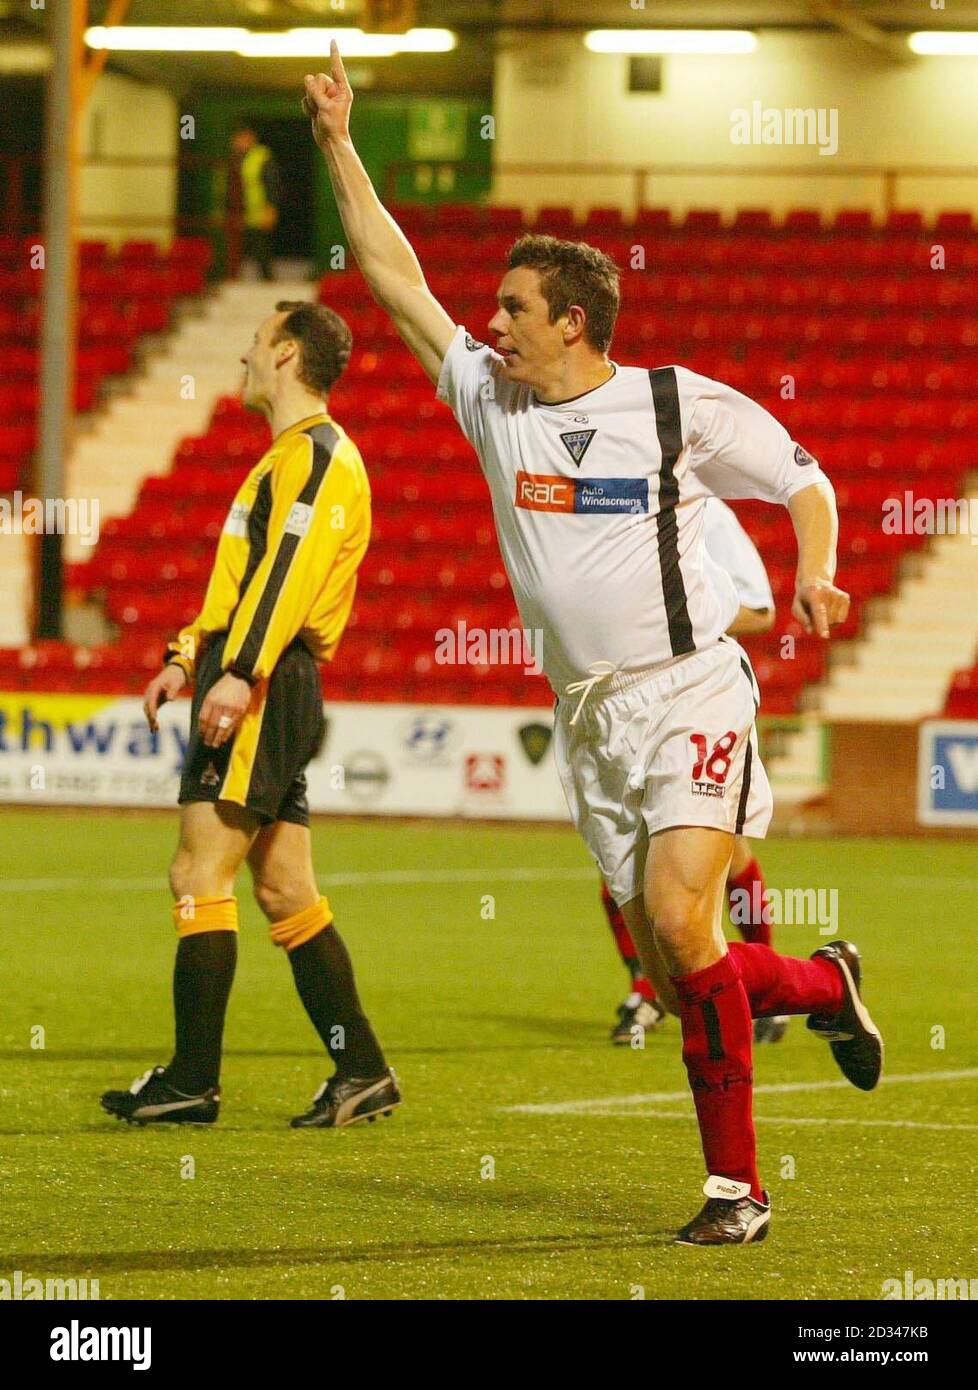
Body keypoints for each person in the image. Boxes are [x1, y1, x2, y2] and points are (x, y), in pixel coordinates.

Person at [302, 43, 882, 1245]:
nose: (491, 323)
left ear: (572, 320)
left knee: (678, 922)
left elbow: (804, 478)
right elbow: (393, 278)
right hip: (590, 719)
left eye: (512, 307)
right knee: (685, 974)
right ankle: (826, 985)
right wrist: (339, 144)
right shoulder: (493, 404)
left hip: (688, 692)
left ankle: (738, 1190)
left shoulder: (671, 402)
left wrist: (818, 571)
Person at [100, 299, 400, 1131]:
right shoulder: (290, 458)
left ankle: (193, 1079)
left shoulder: (317, 457)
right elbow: (247, 584)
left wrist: (236, 671)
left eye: (255, 342)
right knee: (282, 885)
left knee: (199, 874)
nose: (242, 353)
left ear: (288, 354)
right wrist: (186, 654)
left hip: (265, 677)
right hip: (259, 670)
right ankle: (362, 1069)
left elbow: (285, 578)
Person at [606, 497, 789, 1047]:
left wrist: (673, 613)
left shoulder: (703, 510)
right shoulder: (605, 503)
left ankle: (767, 984)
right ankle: (647, 986)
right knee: (618, 855)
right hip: (624, 700)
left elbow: (761, 610)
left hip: (697, 700)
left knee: (729, 852)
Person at [232, 126, 282, 282]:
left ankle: (267, 278)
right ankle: (236, 276)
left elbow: (272, 183)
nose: (236, 143)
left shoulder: (261, 156)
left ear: (249, 138)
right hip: (245, 211)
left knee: (261, 245)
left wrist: (271, 208)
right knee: (245, 244)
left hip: (260, 210)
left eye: (240, 139)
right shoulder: (239, 158)